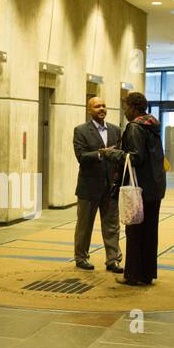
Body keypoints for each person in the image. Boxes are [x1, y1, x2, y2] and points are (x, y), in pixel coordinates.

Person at [115, 92, 166, 286]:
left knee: (135, 231)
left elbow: (135, 157)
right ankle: (147, 274)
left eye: (125, 106)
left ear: (134, 107)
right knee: (150, 231)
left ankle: (133, 275)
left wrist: (114, 154)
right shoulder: (152, 125)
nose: (124, 110)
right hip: (155, 186)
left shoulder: (135, 127)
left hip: (139, 188)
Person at [72, 96, 123, 273]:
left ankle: (113, 260)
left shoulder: (116, 130)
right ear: (89, 110)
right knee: (85, 226)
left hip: (111, 188)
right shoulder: (81, 130)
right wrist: (101, 153)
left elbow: (121, 156)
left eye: (103, 105)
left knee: (112, 225)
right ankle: (81, 257)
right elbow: (81, 157)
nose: (101, 108)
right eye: (97, 106)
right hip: (88, 187)